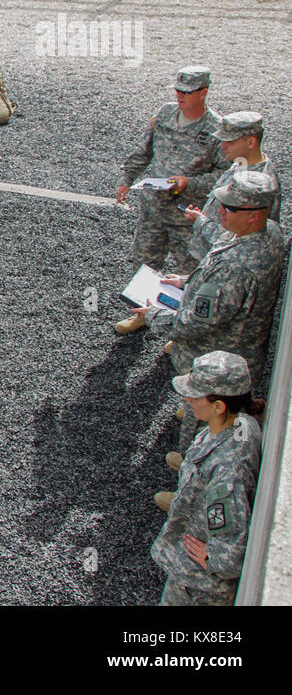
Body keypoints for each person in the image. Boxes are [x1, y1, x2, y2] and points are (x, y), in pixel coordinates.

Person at [130, 171, 285, 457]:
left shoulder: (235, 268)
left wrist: (153, 315)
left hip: (217, 359)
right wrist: (188, 281)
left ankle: (187, 480)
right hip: (241, 353)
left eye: (231, 207)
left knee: (203, 432)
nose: (222, 210)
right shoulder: (270, 232)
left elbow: (196, 324)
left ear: (254, 215)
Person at [114, 66, 227, 337]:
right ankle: (141, 313)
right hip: (154, 207)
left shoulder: (217, 130)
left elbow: (224, 175)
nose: (180, 96)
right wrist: (127, 178)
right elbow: (145, 149)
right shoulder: (165, 114)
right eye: (178, 90)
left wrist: (190, 183)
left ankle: (181, 331)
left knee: (188, 270)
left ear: (204, 93)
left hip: (186, 214)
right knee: (144, 260)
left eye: (187, 92)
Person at [150, 350, 262, 606]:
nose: (188, 399)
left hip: (198, 589)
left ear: (219, 406)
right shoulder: (241, 422)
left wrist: (212, 558)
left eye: (195, 395)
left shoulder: (226, 476)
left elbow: (232, 555)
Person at [182, 111, 282, 265]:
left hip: (223, 262)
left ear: (251, 143)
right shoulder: (241, 162)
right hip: (207, 252)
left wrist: (201, 222)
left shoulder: (259, 184)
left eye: (230, 141)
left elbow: (246, 236)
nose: (222, 146)